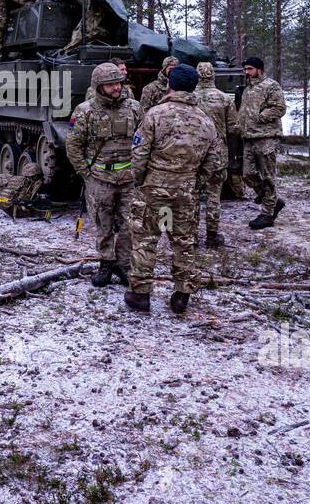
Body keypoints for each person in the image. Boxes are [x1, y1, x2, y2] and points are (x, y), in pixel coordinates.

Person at [125, 63, 219, 315]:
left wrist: (141, 180)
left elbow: (139, 153)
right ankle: (181, 295)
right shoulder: (205, 120)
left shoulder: (156, 114)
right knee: (184, 242)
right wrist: (194, 182)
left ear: (169, 84)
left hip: (153, 188)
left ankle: (140, 294)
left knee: (145, 240)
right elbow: (213, 160)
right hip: (186, 190)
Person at [65, 62, 141, 287]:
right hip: (99, 179)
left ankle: (123, 263)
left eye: (118, 83)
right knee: (103, 224)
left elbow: (144, 141)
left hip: (129, 179)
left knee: (131, 224)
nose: (116, 88)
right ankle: (106, 263)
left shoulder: (135, 108)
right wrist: (85, 173)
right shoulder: (85, 111)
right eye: (110, 85)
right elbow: (73, 145)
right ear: (98, 86)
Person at [237, 56, 287, 229]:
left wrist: (260, 117)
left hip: (266, 137)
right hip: (249, 137)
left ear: (259, 69)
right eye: (245, 69)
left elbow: (280, 108)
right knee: (247, 174)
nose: (246, 72)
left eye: (250, 69)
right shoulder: (248, 89)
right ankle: (272, 200)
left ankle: (267, 214)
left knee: (267, 177)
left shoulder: (271, 85)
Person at [194, 62, 236, 248]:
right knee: (213, 196)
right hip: (218, 153)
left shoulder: (189, 97)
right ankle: (212, 235)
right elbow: (233, 128)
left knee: (192, 196)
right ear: (213, 75)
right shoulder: (224, 98)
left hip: (194, 154)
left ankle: (191, 236)